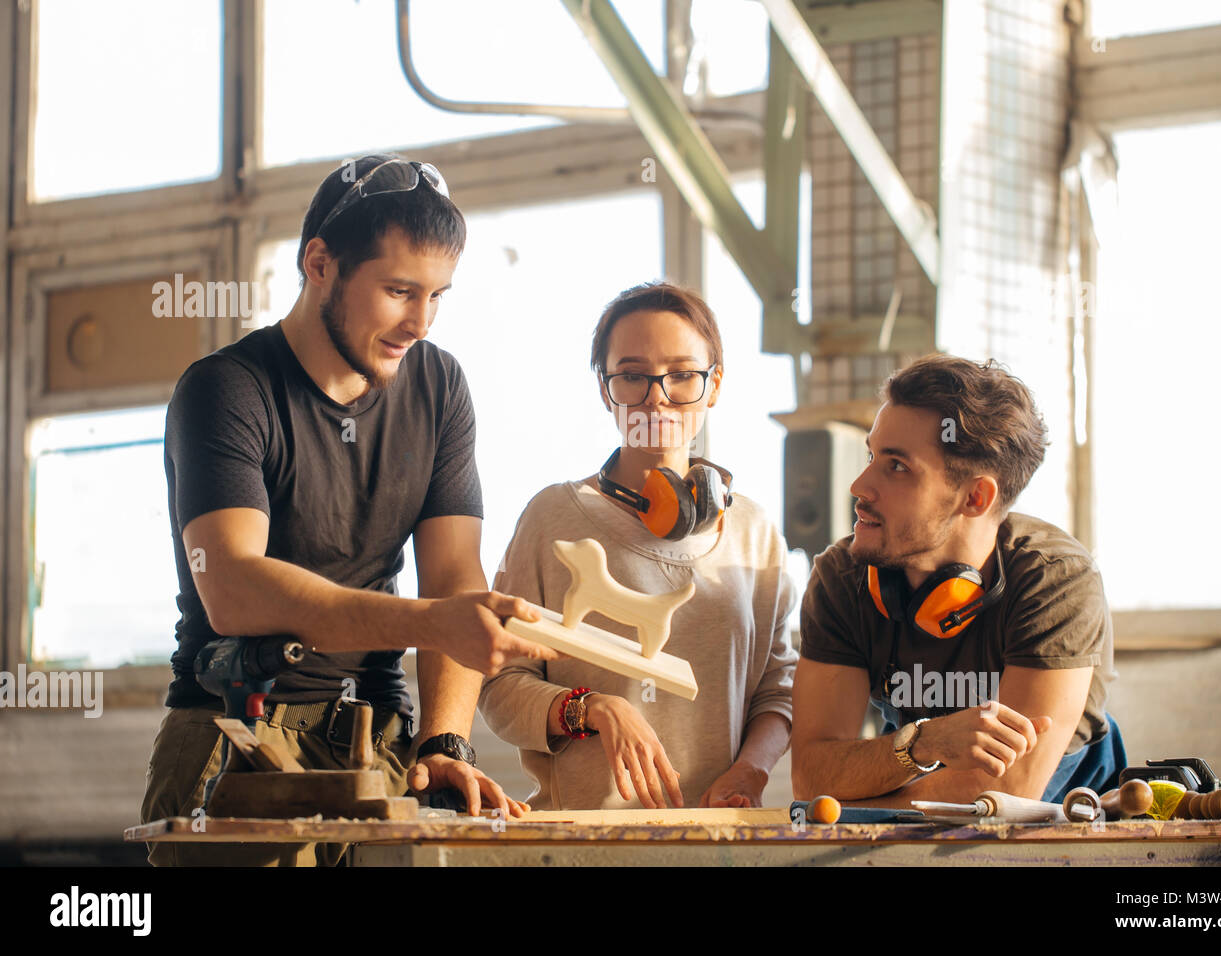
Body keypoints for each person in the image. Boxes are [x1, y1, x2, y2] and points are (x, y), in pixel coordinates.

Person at [141, 153, 555, 866]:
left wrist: (444, 741)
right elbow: (235, 587)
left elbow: (454, 574)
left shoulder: (439, 386)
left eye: (437, 296)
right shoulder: (227, 390)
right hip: (237, 734)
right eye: (398, 291)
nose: (420, 322)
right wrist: (431, 623)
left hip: (378, 737)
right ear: (320, 264)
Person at [478, 282, 797, 810]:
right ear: (606, 389)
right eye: (632, 375)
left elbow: (777, 691)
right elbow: (500, 685)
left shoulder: (755, 533)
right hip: (583, 843)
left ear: (713, 385)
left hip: (718, 841)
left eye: (682, 374)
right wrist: (589, 709)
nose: (657, 396)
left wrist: (751, 770)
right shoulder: (551, 517)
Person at [792, 354, 1126, 809]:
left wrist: (853, 801)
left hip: (1065, 836)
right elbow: (812, 778)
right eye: (872, 455)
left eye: (896, 467)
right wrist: (923, 743)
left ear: (975, 497)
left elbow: (999, 796)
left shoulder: (1056, 580)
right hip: (913, 831)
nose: (859, 485)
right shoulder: (843, 578)